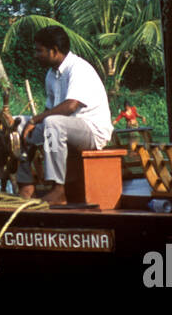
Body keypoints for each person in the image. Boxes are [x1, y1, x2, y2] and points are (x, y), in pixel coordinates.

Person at [18, 26, 113, 203]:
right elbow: (50, 109)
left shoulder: (78, 68)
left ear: (54, 50)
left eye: (39, 51)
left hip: (92, 132)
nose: (36, 55)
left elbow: (71, 106)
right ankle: (26, 183)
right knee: (18, 124)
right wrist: (31, 123)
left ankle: (58, 189)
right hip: (65, 127)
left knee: (53, 123)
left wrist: (36, 119)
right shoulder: (51, 74)